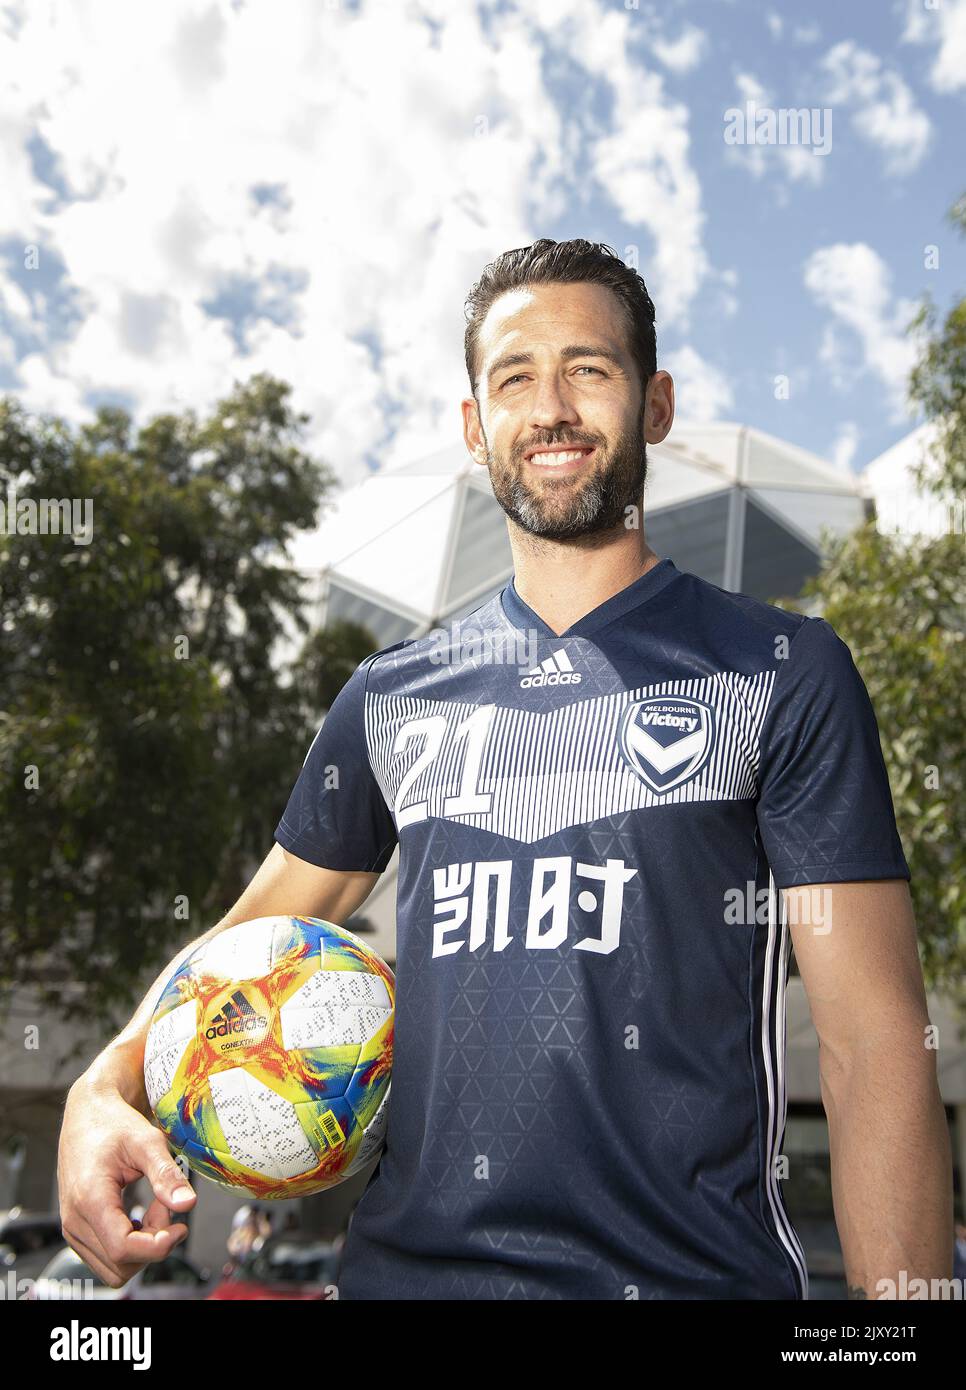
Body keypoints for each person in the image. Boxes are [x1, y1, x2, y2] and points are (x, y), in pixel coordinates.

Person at [57, 238, 953, 1300]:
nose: (554, 408)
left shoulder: (780, 673)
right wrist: (100, 1083)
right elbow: (241, 943)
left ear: (655, 404)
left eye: (591, 368)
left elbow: (868, 1045)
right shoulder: (390, 696)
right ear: (477, 427)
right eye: (515, 378)